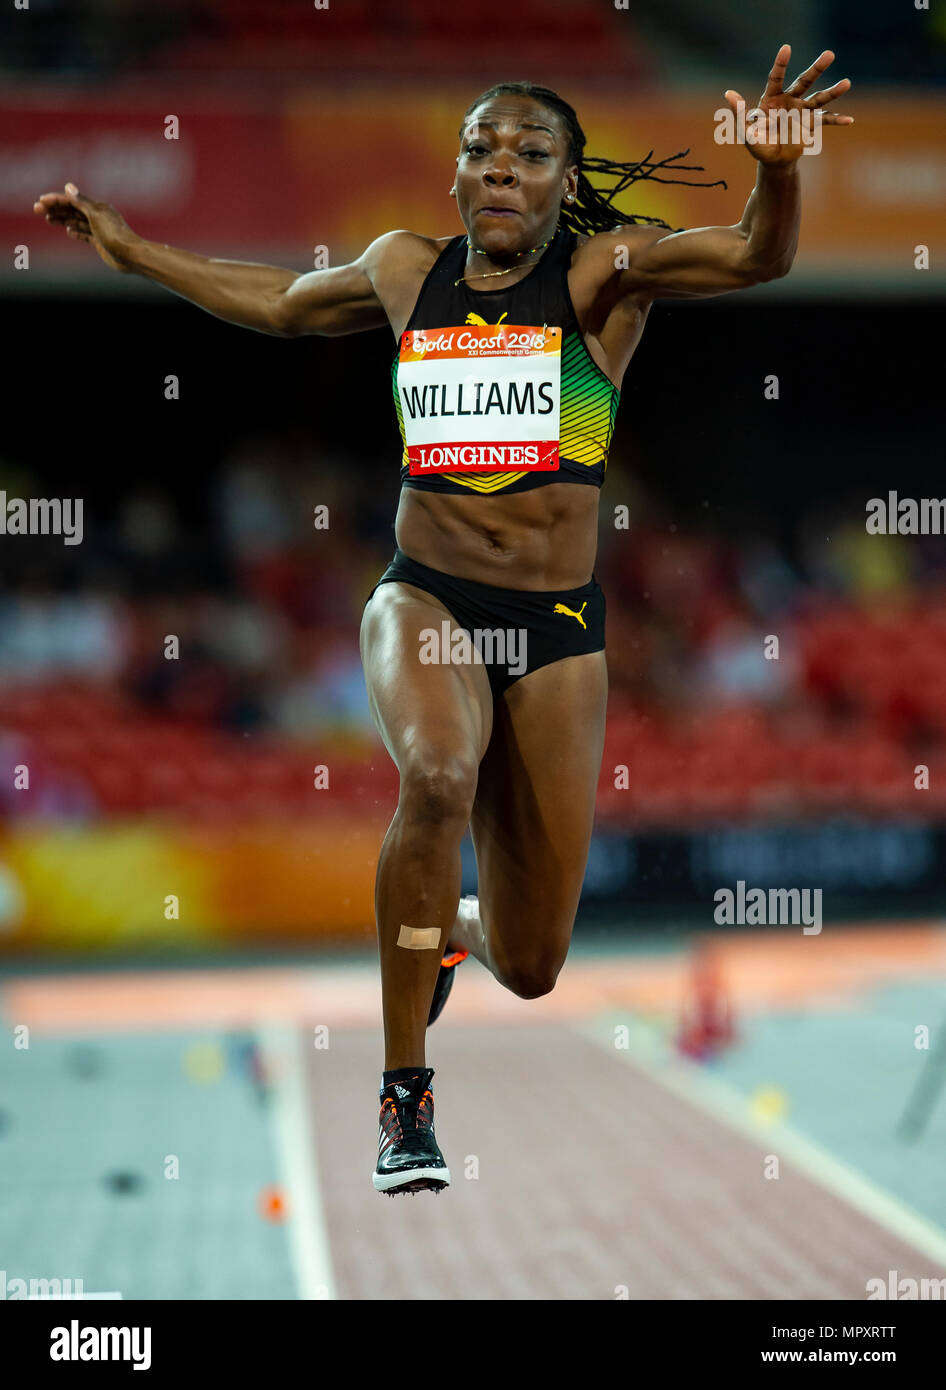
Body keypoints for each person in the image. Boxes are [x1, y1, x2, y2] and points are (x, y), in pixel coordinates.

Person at [34, 49, 853, 1196]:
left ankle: (458, 920)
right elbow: (275, 298)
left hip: (556, 622)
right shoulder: (402, 269)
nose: (501, 168)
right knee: (431, 774)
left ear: (567, 181)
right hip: (425, 592)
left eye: (529, 153)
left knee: (532, 964)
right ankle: (405, 1098)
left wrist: (776, 175)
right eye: (480, 149)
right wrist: (133, 249)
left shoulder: (601, 277)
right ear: (456, 178)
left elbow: (758, 255)